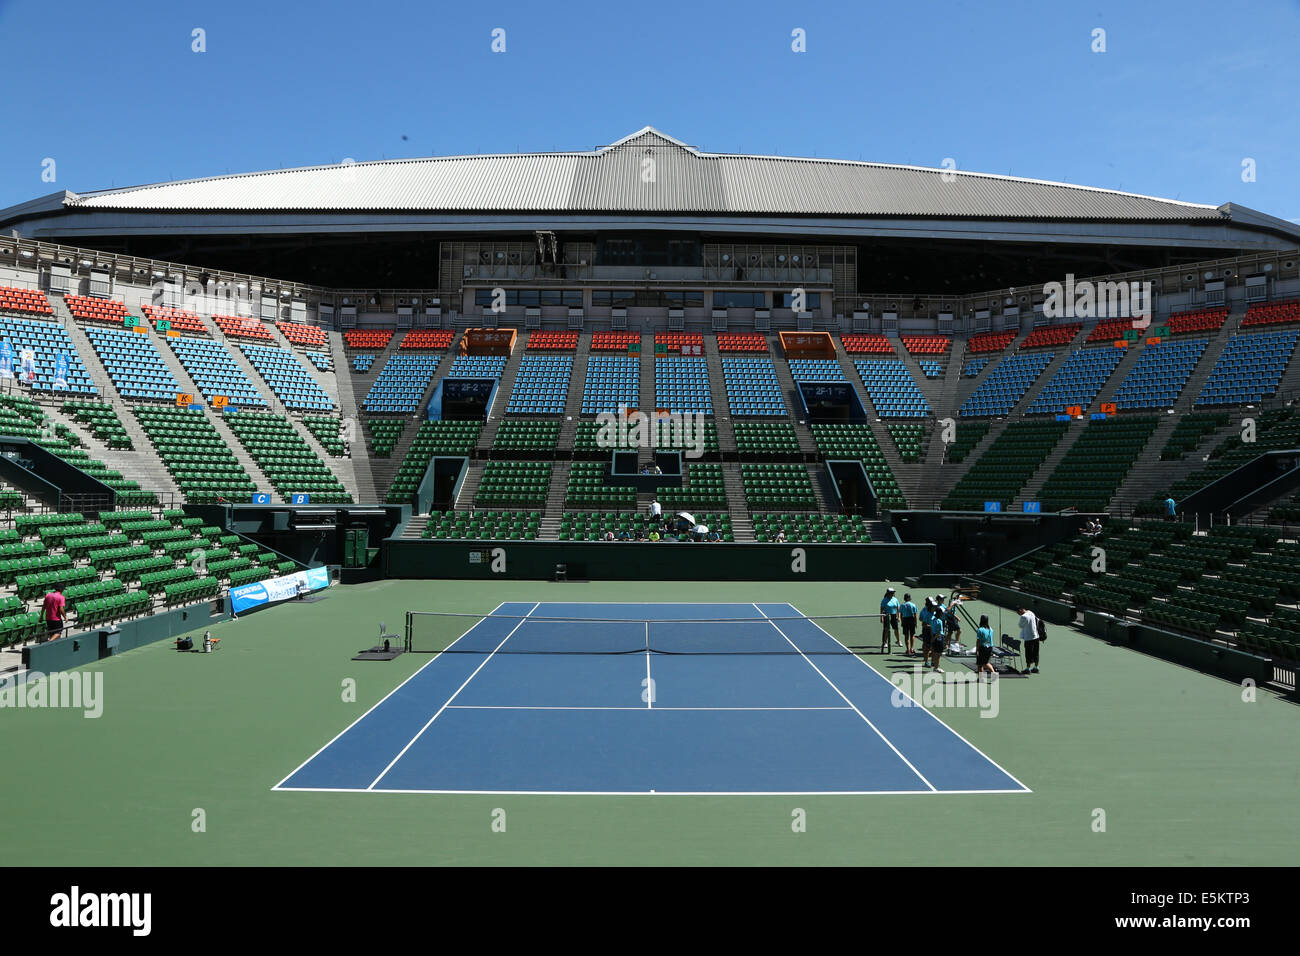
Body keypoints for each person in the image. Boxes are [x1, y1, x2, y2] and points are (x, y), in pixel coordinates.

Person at [1018, 605, 1041, 674]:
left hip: (1029, 638)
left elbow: (1020, 625)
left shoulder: (1023, 616)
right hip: (1036, 637)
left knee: (1028, 653)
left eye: (1018, 613)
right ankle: (1036, 668)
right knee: (1036, 653)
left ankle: (1028, 669)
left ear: (1020, 610)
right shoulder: (1031, 612)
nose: (1019, 614)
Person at [879, 587, 900, 654]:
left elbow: (898, 609)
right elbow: (882, 609)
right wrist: (881, 617)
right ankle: (885, 642)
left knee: (896, 629)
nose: (893, 593)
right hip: (886, 616)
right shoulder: (884, 600)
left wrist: (899, 617)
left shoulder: (895, 599)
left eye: (893, 592)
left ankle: (898, 641)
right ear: (888, 593)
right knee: (886, 629)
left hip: (893, 615)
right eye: (892, 592)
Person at [975, 614, 996, 680]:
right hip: (990, 648)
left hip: (983, 648)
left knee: (982, 663)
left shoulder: (980, 630)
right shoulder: (991, 629)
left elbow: (978, 641)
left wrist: (977, 650)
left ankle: (993, 674)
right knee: (982, 663)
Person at [929, 596, 947, 673]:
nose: (942, 614)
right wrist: (934, 639)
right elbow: (939, 632)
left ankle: (935, 665)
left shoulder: (933, 618)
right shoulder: (939, 621)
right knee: (938, 654)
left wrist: (932, 639)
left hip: (934, 636)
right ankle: (936, 667)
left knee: (935, 652)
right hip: (938, 638)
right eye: (942, 612)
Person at [899, 592, 918, 656]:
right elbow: (915, 615)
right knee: (912, 635)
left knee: (906, 635)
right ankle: (912, 648)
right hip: (911, 620)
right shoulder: (913, 605)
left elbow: (901, 614)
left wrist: (902, 622)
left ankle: (908, 649)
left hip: (905, 620)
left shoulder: (902, 605)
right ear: (909, 598)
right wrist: (916, 623)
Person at [919, 597, 934, 667]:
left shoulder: (935, 613)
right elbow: (921, 620)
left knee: (932, 646)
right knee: (926, 646)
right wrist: (929, 625)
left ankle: (931, 660)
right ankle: (926, 660)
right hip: (927, 631)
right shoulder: (926, 611)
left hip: (933, 631)